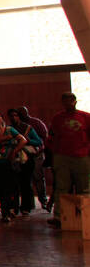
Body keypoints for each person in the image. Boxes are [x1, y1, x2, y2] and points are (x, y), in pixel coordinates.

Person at [48, 92, 90, 228]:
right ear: (62, 103)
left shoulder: (85, 117)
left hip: (82, 156)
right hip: (62, 157)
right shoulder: (57, 118)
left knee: (84, 188)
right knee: (61, 188)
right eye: (65, 101)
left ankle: (86, 216)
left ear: (75, 101)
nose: (68, 103)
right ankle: (59, 216)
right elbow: (52, 137)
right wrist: (55, 155)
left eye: (71, 100)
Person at [7, 107, 43, 215]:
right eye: (11, 116)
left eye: (16, 115)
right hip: (13, 158)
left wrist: (27, 141)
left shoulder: (27, 128)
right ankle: (14, 207)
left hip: (26, 159)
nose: (14, 118)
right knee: (13, 184)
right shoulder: (8, 129)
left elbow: (38, 141)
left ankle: (26, 207)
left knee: (26, 183)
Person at [15, 106, 50, 210]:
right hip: (23, 155)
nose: (21, 115)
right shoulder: (16, 126)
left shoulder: (36, 123)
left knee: (38, 177)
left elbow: (43, 138)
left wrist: (32, 143)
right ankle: (29, 203)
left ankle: (43, 200)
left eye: (23, 113)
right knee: (26, 180)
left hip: (36, 154)